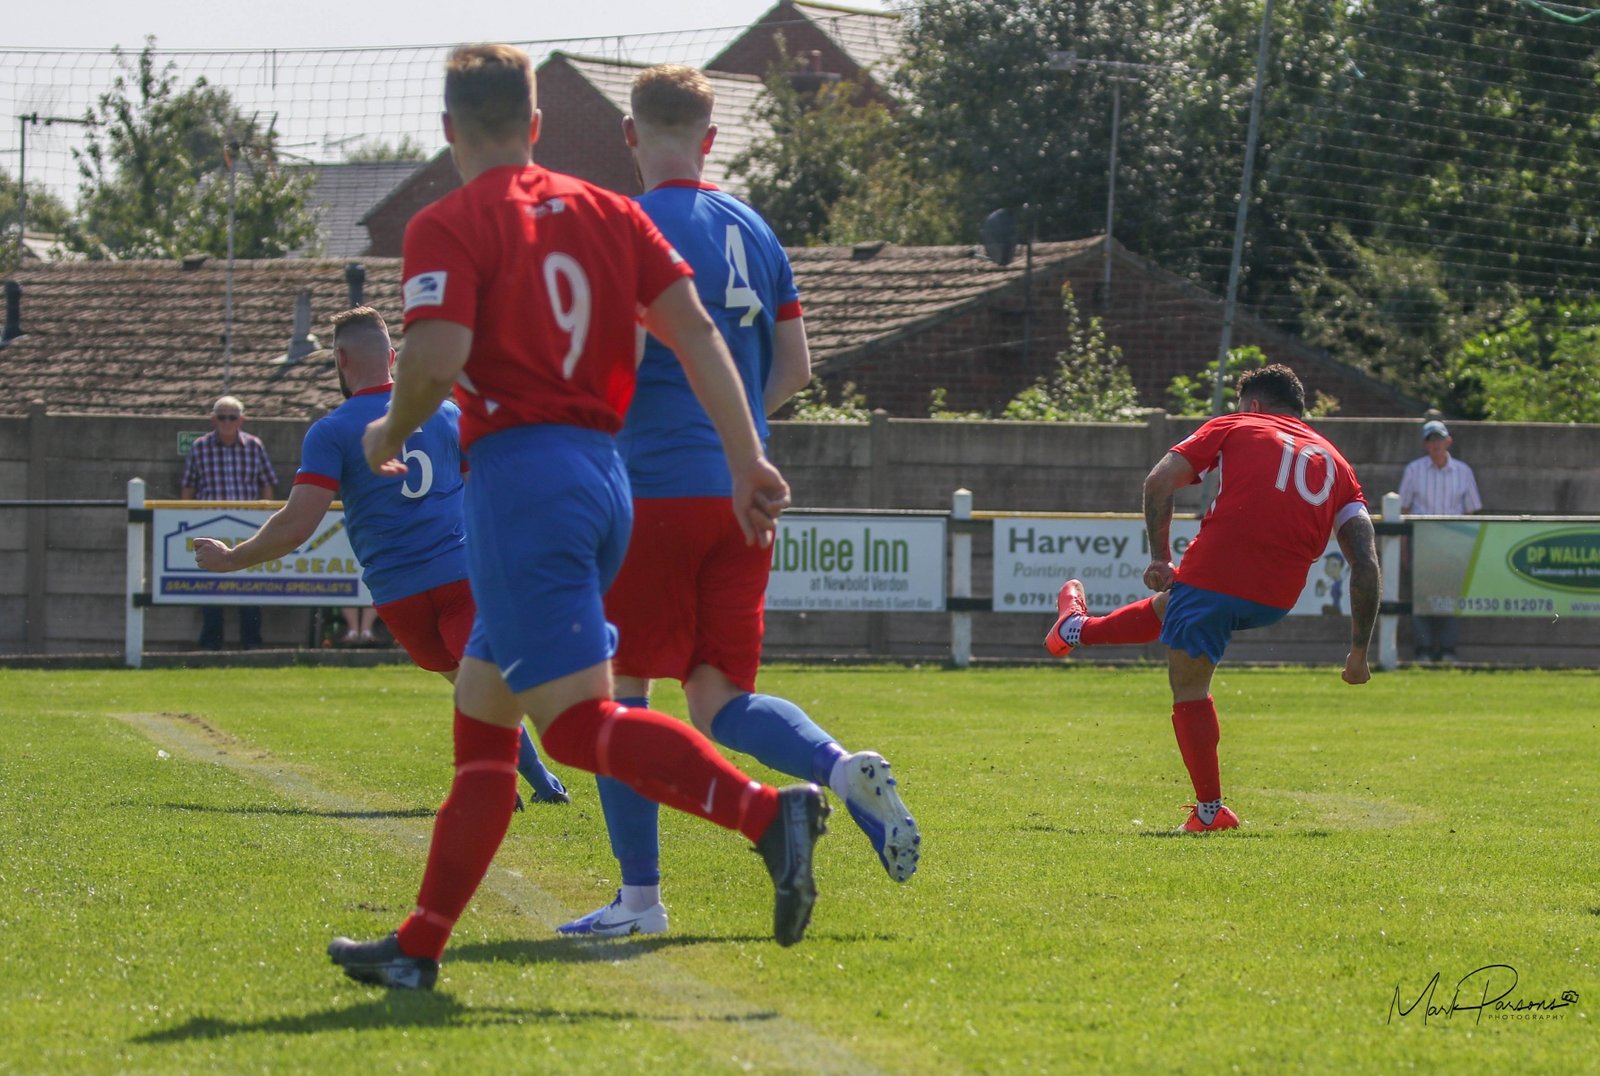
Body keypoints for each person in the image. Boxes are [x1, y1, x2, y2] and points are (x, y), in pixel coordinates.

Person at [327, 44, 828, 991]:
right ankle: (420, 945)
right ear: (539, 124)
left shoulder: (448, 220)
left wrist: (387, 430)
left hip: (523, 480)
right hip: (606, 478)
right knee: (484, 719)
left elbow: (434, 355)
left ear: (447, 132)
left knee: (572, 725)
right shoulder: (607, 210)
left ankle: (770, 816)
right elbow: (698, 333)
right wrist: (747, 452)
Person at [555, 65, 919, 939]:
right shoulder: (754, 228)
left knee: (621, 695)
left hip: (648, 491)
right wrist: (737, 430)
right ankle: (837, 768)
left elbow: (610, 359)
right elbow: (792, 367)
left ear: (631, 136)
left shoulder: (623, 224)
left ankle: (639, 900)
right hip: (743, 491)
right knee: (721, 699)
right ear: (712, 139)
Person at [191, 306, 569, 807]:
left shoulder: (332, 430)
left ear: (340, 360)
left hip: (398, 591)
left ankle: (530, 782)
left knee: (466, 681)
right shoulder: (446, 410)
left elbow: (296, 525)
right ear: (392, 356)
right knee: (482, 680)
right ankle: (523, 778)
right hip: (460, 574)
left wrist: (232, 558)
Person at [1042, 364, 1380, 833]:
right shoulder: (1338, 464)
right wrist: (1359, 652)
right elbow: (1365, 563)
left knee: (1189, 686)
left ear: (1254, 406)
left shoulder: (1235, 425)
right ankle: (1074, 630)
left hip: (1216, 581)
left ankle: (1210, 812)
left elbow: (1158, 482)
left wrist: (1160, 558)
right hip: (1275, 600)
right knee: (1174, 607)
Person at [181, 395, 277, 650]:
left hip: (245, 528)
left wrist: (263, 519)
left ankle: (251, 644)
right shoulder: (200, 447)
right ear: (213, 419)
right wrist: (187, 520)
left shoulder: (255, 446)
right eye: (221, 417)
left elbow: (266, 484)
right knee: (210, 586)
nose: (226, 422)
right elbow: (188, 487)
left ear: (241, 420)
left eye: (232, 417)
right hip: (210, 525)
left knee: (250, 585)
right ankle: (211, 645)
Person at [1398, 417, 1482, 663]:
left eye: (1438, 439)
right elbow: (1402, 511)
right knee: (1421, 598)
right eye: (1430, 440)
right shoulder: (1413, 470)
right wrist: (1403, 549)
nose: (1435, 444)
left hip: (1454, 543)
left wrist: (1468, 547)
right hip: (1421, 540)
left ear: (1448, 441)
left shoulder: (1463, 472)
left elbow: (1470, 512)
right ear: (1425, 444)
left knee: (1451, 597)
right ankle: (1423, 650)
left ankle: (1447, 650)